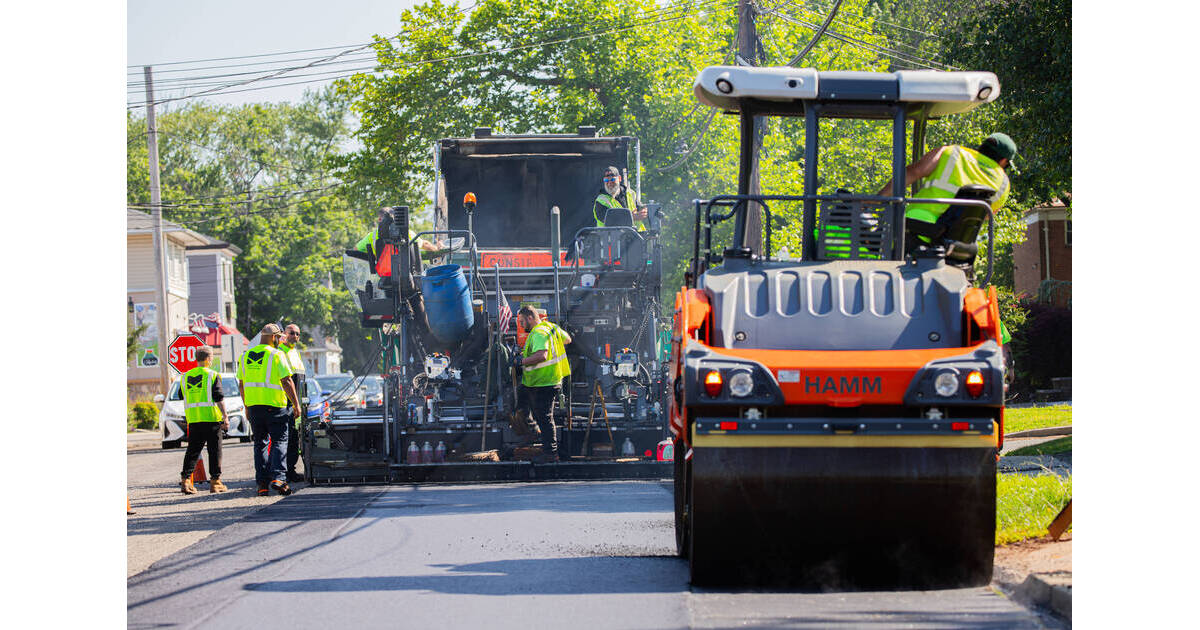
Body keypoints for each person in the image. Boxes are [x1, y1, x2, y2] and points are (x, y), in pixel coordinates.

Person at [877, 132, 1017, 243]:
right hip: (954, 244)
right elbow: (986, 216)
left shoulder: (952, 152)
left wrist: (878, 199)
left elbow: (914, 172)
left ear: (982, 146)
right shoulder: (1004, 183)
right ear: (1004, 161)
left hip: (915, 226)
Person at [238, 323, 302, 496]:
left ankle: (262, 484)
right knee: (280, 441)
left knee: (260, 444)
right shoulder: (276, 354)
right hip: (275, 406)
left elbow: (242, 384)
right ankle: (279, 478)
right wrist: (296, 404)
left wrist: (246, 406)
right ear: (274, 338)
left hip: (254, 408)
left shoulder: (245, 356)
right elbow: (287, 381)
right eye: (279, 337)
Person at [514, 306, 572, 463]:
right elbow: (567, 339)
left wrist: (521, 361)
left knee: (545, 418)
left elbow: (542, 355)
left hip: (543, 382)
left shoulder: (539, 332)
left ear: (530, 318)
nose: (521, 325)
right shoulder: (551, 327)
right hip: (544, 381)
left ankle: (550, 454)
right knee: (522, 402)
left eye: (522, 322)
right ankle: (534, 432)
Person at [179, 345, 229, 495]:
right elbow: (219, 398)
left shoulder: (185, 376)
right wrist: (225, 417)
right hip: (211, 419)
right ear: (208, 359)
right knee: (215, 451)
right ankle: (215, 482)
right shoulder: (212, 375)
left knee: (192, 451)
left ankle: (186, 481)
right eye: (212, 358)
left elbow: (182, 395)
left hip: (194, 420)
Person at [278, 324, 308, 483]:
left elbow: (300, 381)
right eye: (291, 333)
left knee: (295, 440)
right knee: (287, 440)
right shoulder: (280, 352)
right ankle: (286, 473)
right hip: (286, 404)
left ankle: (291, 470)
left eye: (297, 334)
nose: (295, 336)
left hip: (297, 405)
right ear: (284, 334)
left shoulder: (295, 353)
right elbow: (285, 380)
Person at [592, 166, 648, 231]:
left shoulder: (630, 193)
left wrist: (644, 212)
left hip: (636, 237)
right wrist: (632, 217)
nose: (609, 183)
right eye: (606, 180)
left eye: (612, 179)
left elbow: (640, 209)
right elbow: (610, 222)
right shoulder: (601, 201)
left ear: (619, 178)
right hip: (611, 239)